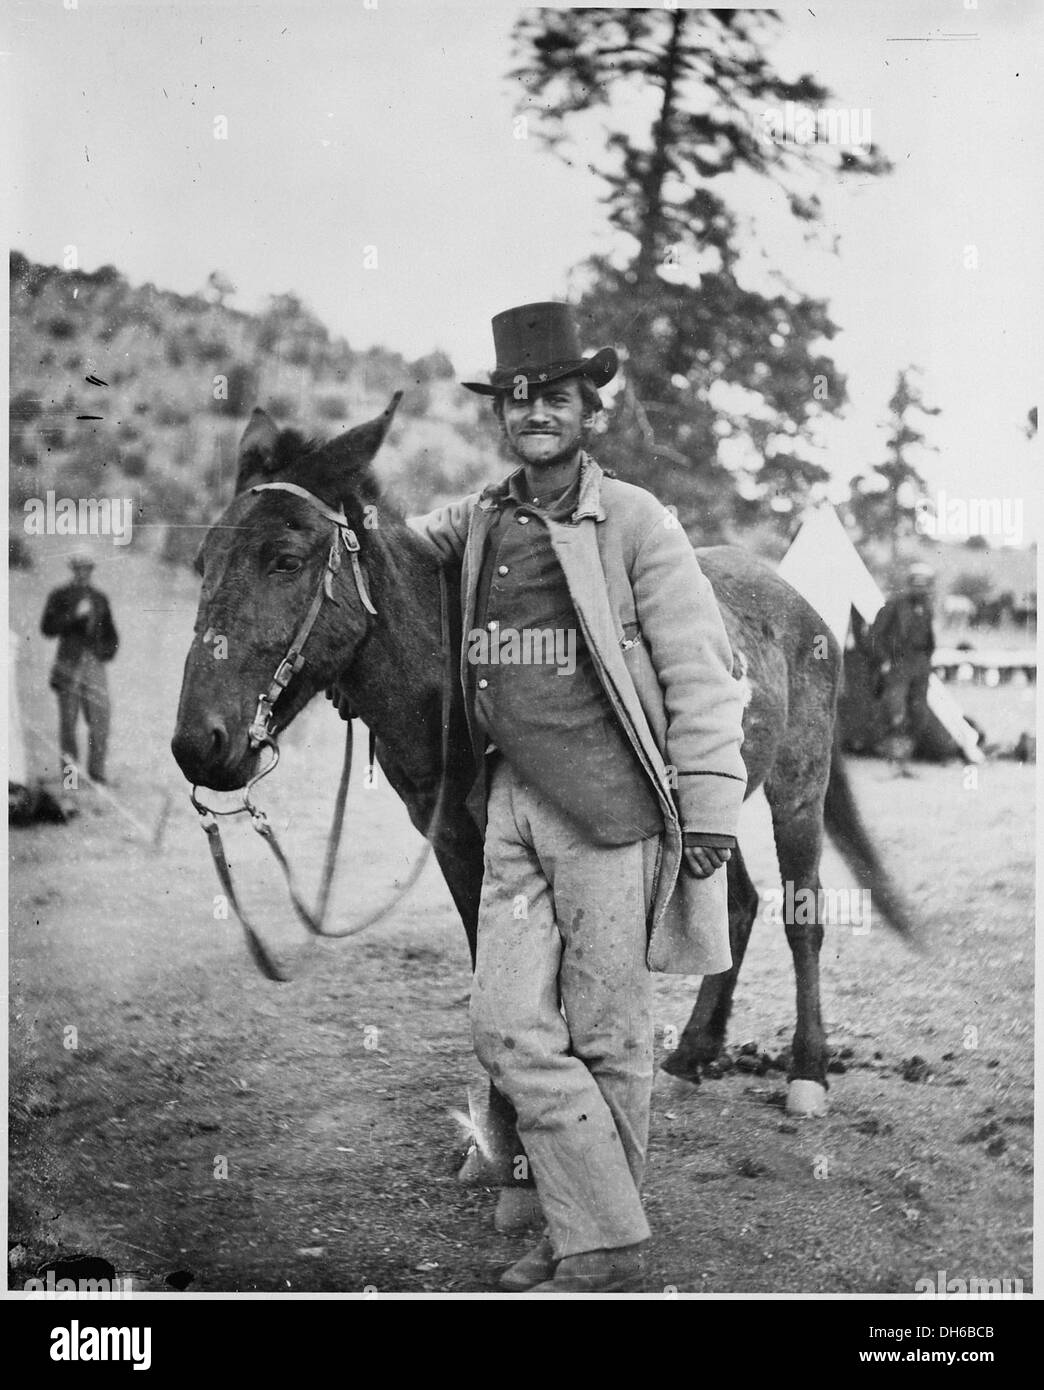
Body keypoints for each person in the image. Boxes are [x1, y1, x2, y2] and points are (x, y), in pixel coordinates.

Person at [409, 302, 747, 1292]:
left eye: (554, 395)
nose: (535, 413)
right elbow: (388, 549)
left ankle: (595, 1242)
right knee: (506, 1018)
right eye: (517, 399)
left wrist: (714, 807)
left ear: (588, 409)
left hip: (610, 812)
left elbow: (698, 670)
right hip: (509, 805)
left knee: (608, 1029)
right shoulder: (480, 519)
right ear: (502, 417)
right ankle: (599, 1218)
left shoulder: (637, 521)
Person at [40, 549, 119, 785]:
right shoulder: (59, 595)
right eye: (79, 567)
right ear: (72, 568)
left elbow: (111, 634)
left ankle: (96, 772)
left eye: (87, 567)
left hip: (93, 665)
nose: (83, 572)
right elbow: (47, 628)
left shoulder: (99, 598)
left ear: (92, 570)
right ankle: (70, 776)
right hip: (68, 663)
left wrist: (104, 652)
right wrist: (74, 617)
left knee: (101, 720)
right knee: (68, 723)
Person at [869, 562, 936, 776]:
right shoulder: (894, 605)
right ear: (909, 585)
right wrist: (884, 661)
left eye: (925, 585)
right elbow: (874, 636)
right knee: (895, 712)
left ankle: (904, 761)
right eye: (917, 585)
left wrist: (926, 663)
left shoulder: (927, 607)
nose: (921, 589)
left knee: (918, 714)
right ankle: (894, 763)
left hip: (920, 665)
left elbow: (928, 639)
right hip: (898, 664)